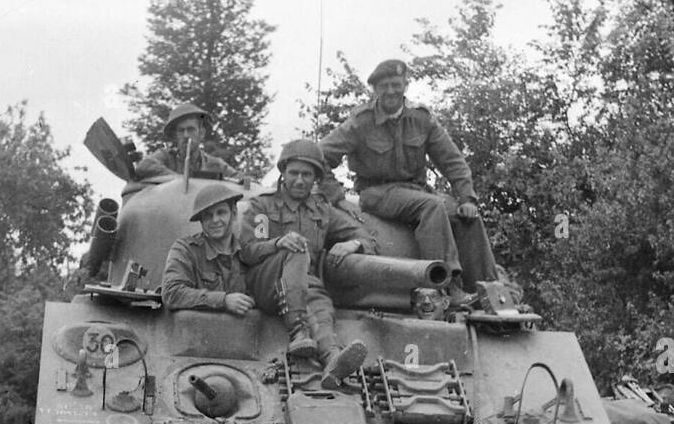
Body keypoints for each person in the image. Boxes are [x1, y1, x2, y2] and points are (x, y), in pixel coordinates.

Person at [162, 181, 367, 390]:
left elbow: (269, 260)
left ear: (233, 213)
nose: (215, 220)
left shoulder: (247, 251)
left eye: (221, 213)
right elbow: (172, 292)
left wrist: (282, 243)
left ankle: (321, 349)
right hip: (205, 344)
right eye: (208, 216)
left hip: (254, 342)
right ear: (200, 221)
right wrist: (223, 300)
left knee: (300, 266)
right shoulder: (186, 250)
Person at [319, 58, 486, 300]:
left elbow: (453, 161)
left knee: (467, 216)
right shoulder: (361, 122)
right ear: (374, 90)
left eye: (396, 84)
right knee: (431, 206)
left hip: (415, 190)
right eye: (384, 86)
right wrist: (336, 195)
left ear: (405, 85)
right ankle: (445, 287)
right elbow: (318, 156)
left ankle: (487, 289)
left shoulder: (421, 119)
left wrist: (467, 197)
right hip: (377, 193)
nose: (390, 91)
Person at [239, 138, 374, 379]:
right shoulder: (263, 206)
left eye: (306, 174)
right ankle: (298, 332)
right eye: (293, 173)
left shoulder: (321, 209)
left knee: (321, 304)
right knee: (298, 250)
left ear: (316, 179)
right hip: (266, 283)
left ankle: (332, 358)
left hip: (305, 286)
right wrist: (277, 243)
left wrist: (354, 243)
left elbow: (364, 235)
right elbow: (247, 251)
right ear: (283, 173)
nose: (299, 180)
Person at [133, 103, 236, 181]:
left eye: (191, 130)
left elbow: (244, 181)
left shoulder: (215, 164)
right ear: (175, 135)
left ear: (201, 133)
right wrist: (179, 179)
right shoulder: (166, 157)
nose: (186, 135)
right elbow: (143, 166)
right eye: (181, 131)